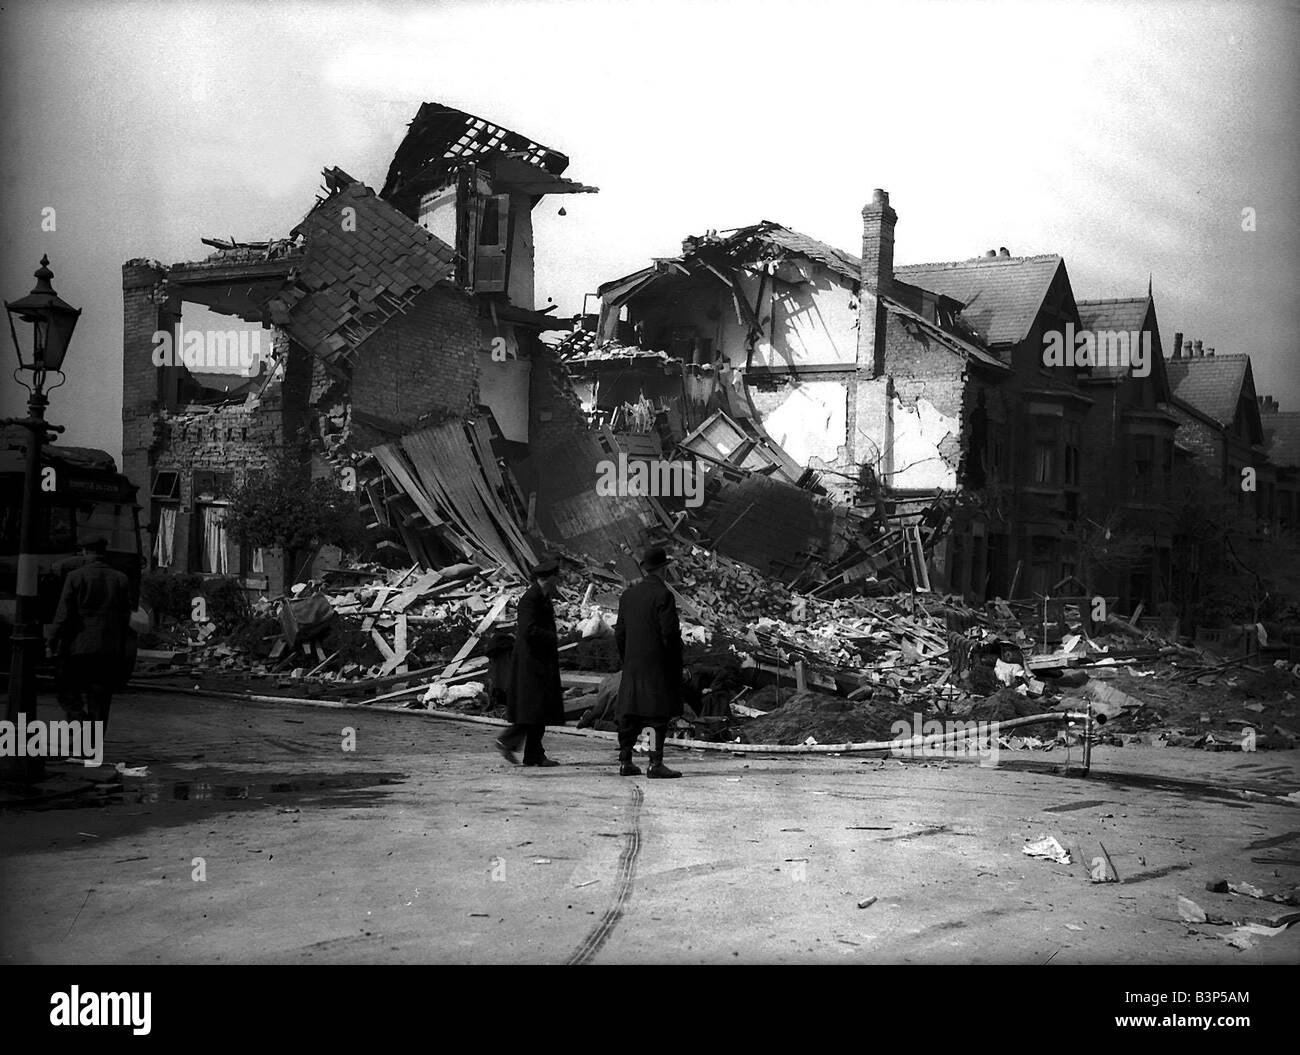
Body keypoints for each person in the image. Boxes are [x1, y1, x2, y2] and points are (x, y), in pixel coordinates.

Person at [48, 537, 131, 735]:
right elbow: (125, 616)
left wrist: (52, 639)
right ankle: (94, 743)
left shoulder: (76, 577)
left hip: (78, 645)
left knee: (68, 692)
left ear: (85, 552)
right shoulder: (120, 579)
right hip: (107, 647)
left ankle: (80, 725)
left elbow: (63, 613)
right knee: (100, 697)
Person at [614, 546, 684, 778]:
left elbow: (620, 633)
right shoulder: (663, 595)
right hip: (656, 665)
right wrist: (676, 663)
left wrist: (627, 659)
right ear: (663, 569)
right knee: (655, 716)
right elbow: (670, 635)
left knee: (629, 713)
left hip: (632, 665)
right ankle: (654, 763)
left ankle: (625, 761)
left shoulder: (628, 595)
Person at [495, 559, 565, 767]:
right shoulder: (530, 599)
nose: (557, 581)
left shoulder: (543, 597)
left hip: (540, 662)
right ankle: (507, 741)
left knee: (539, 711)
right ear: (548, 578)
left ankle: (533, 755)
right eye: (555, 578)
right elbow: (527, 630)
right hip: (531, 664)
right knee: (533, 711)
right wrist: (553, 637)